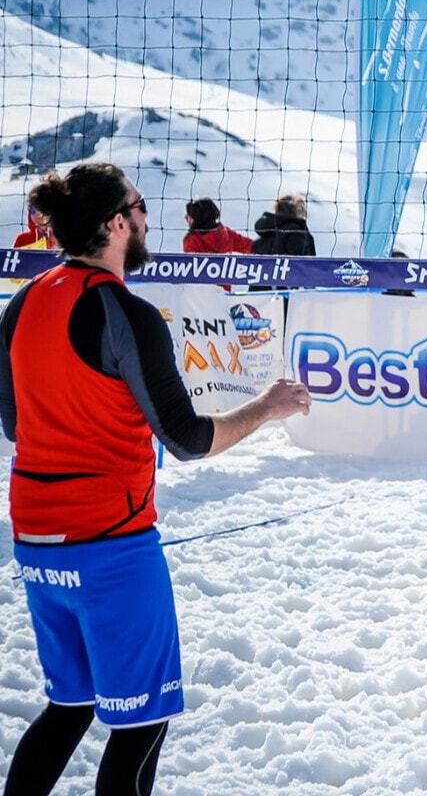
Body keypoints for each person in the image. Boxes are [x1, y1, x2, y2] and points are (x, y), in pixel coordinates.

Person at [1, 162, 312, 796]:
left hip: (34, 539)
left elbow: (12, 423)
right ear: (116, 223)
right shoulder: (125, 312)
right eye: (140, 208)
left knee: (68, 708)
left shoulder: (25, 300)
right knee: (141, 725)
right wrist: (267, 406)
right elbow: (188, 439)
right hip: (109, 543)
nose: (147, 219)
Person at [181, 197, 254, 254]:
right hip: (228, 272)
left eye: (189, 215)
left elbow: (190, 269)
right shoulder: (226, 233)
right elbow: (251, 246)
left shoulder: (192, 240)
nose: (185, 217)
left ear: (198, 218)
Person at [251, 193, 316, 256]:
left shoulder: (269, 230)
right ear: (294, 210)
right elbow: (302, 263)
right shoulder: (295, 231)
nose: (304, 213)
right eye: (301, 208)